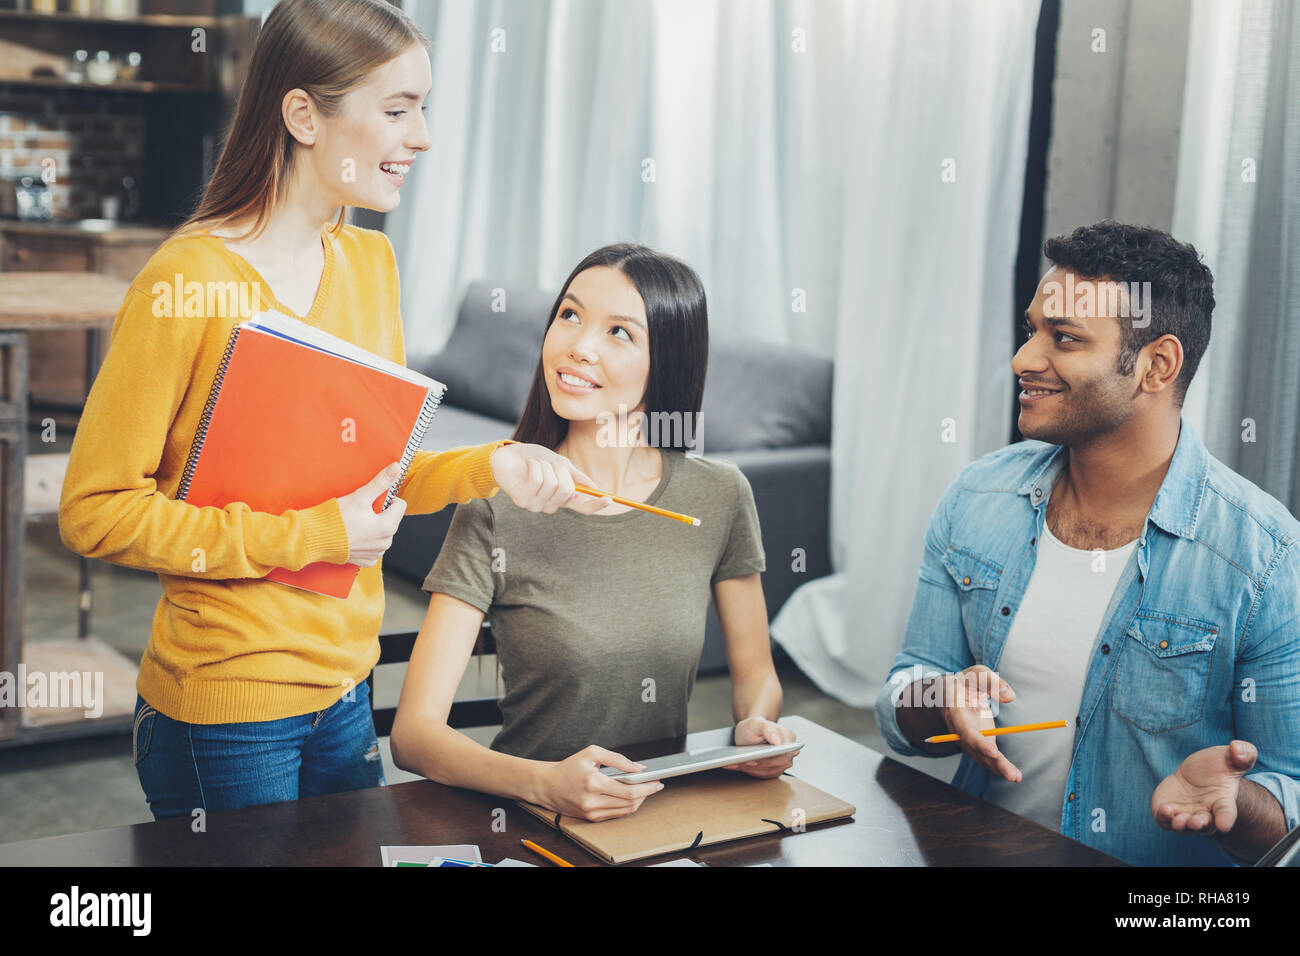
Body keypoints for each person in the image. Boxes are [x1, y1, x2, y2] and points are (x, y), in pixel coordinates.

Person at [58, 0, 611, 820]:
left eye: (422, 108)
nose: (421, 136)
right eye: (397, 110)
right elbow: (95, 513)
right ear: (303, 115)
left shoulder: (369, 263)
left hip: (347, 692)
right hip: (228, 705)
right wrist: (312, 535)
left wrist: (492, 464)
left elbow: (377, 475)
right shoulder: (187, 283)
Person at [875, 220, 1299, 866]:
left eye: (1064, 339)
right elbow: (909, 683)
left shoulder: (1266, 560)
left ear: (1156, 366)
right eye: (1031, 332)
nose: (1023, 360)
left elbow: (1288, 811)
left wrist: (1234, 805)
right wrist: (938, 700)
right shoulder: (977, 498)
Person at [390, 243, 798, 821]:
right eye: (570, 315)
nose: (578, 346)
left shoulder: (720, 495)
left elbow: (757, 674)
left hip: (661, 819)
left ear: (669, 363)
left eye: (619, 333)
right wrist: (544, 785)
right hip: (531, 824)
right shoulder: (497, 504)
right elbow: (413, 736)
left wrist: (757, 723)